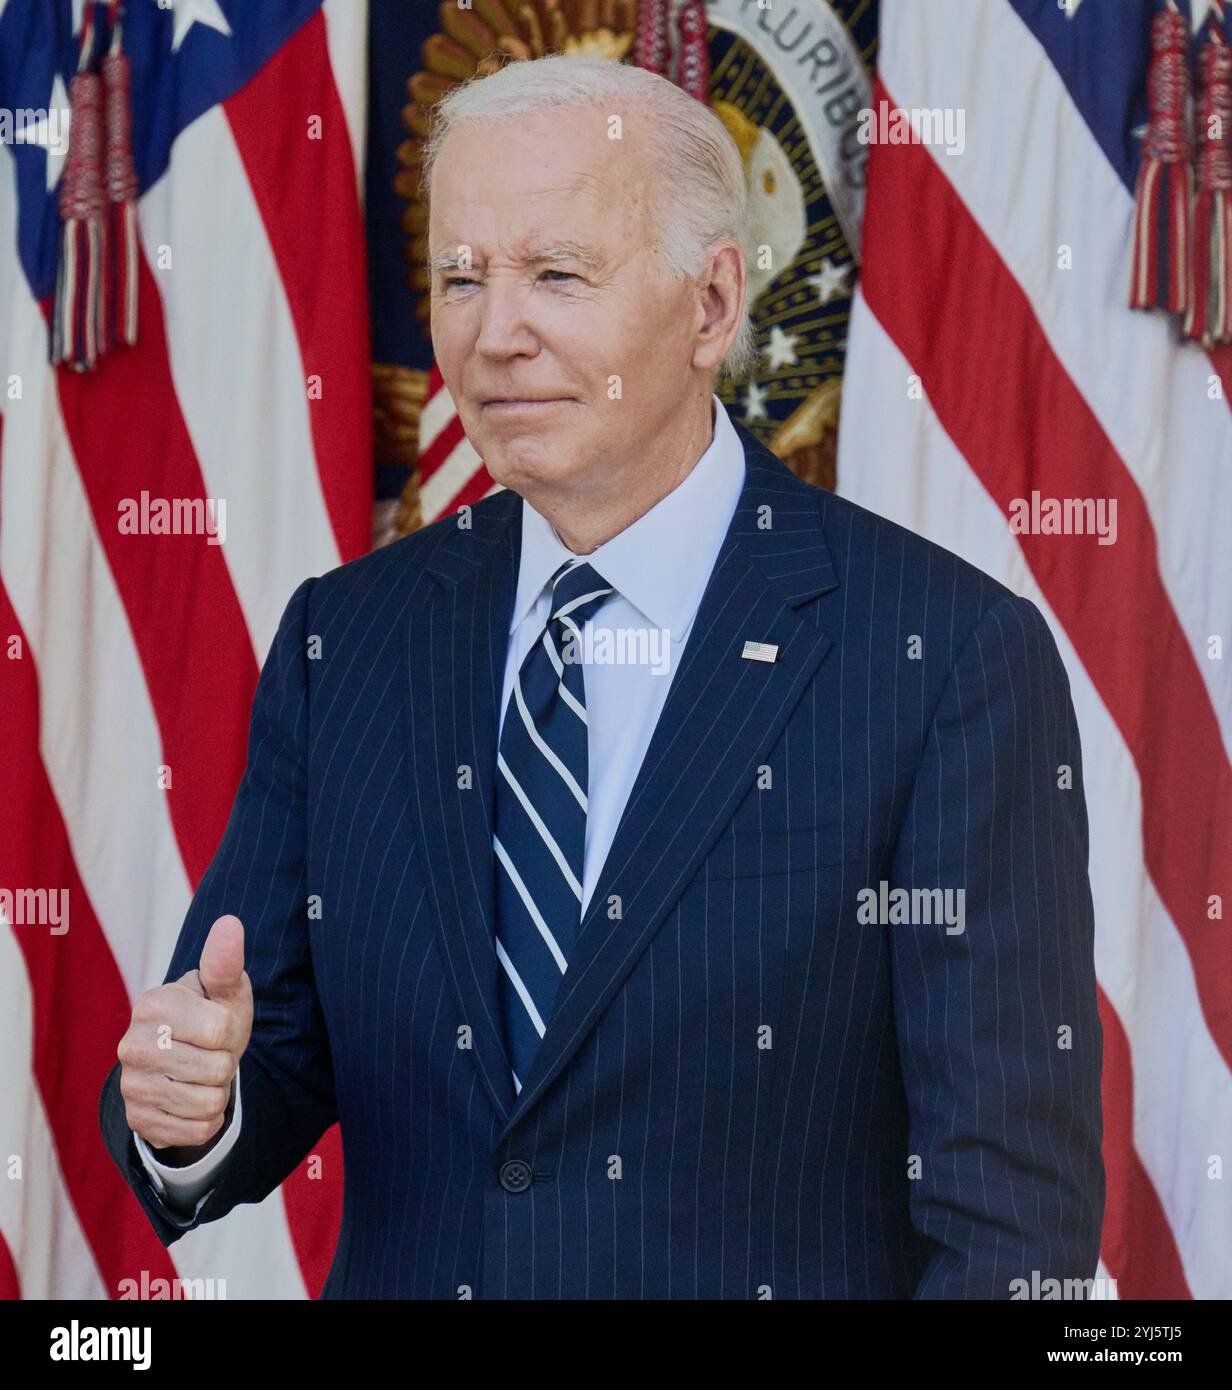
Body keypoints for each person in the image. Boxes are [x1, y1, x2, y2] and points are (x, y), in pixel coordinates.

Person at [99, 54, 1104, 1299]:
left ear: (710, 303)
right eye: (459, 276)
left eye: (555, 274)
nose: (493, 330)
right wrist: (191, 1107)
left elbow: (1008, 1227)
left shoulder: (942, 658)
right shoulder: (342, 642)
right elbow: (258, 1054)